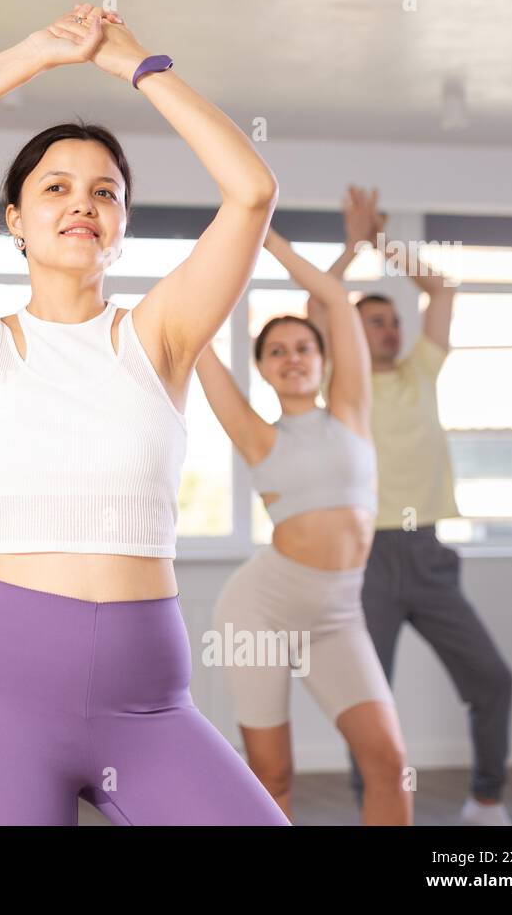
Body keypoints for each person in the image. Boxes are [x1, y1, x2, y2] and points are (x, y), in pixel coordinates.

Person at [0, 3, 287, 824]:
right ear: (16, 222)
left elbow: (251, 192)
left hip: (150, 703)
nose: (82, 202)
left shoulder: (159, 338)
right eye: (54, 187)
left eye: (105, 191)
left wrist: (141, 67)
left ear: (123, 226)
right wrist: (34, 56)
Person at [195, 219, 410, 824]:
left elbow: (338, 300)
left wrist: (264, 236)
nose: (293, 358)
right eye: (277, 351)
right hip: (262, 612)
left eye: (304, 347)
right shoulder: (257, 435)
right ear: (262, 368)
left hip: (338, 614)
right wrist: (223, 258)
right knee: (273, 774)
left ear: (324, 357)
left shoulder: (352, 411)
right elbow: (198, 344)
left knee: (389, 762)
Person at [315, 187, 512, 826]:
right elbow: (319, 301)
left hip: (428, 552)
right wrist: (352, 249)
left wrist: (381, 243)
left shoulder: (422, 371)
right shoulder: (340, 380)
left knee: (493, 679)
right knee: (367, 697)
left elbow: (443, 289)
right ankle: (373, 810)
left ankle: (486, 801)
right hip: (366, 557)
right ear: (351, 332)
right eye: (376, 321)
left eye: (393, 320)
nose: (392, 328)